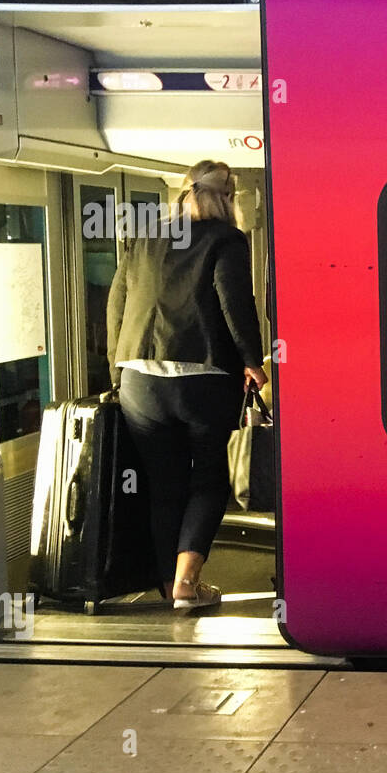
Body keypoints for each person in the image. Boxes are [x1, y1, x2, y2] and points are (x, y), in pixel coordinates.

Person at [107, 160, 267, 609]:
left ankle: (164, 584)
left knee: (164, 484)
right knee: (209, 477)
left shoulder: (144, 238)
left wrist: (116, 368)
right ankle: (187, 583)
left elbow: (116, 303)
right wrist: (253, 362)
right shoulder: (226, 239)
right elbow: (234, 303)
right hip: (203, 378)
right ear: (228, 197)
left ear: (182, 192)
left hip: (140, 379)